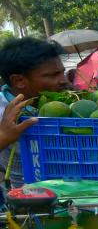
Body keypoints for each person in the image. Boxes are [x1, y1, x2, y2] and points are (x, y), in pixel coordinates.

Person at [0, 38, 71, 186]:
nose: (64, 80)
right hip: (26, 195)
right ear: (19, 81)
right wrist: (4, 136)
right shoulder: (3, 109)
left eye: (63, 73)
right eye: (53, 75)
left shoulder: (58, 100)